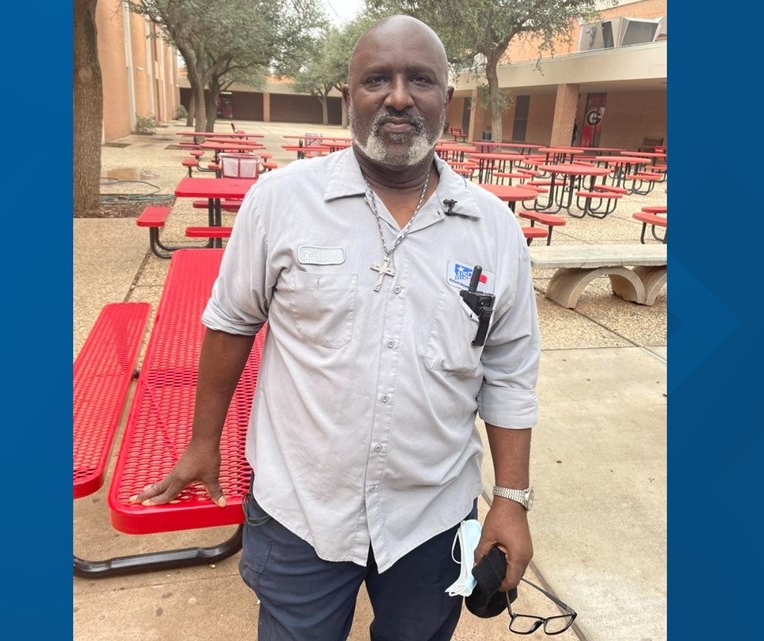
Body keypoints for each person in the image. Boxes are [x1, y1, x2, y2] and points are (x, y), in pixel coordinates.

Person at [132, 15, 541, 641]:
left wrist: (511, 497)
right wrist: (202, 440)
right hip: (302, 510)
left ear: (446, 102)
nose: (399, 96)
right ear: (348, 99)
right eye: (378, 79)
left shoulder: (494, 230)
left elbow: (509, 371)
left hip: (430, 516)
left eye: (420, 80)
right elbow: (229, 324)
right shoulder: (280, 201)